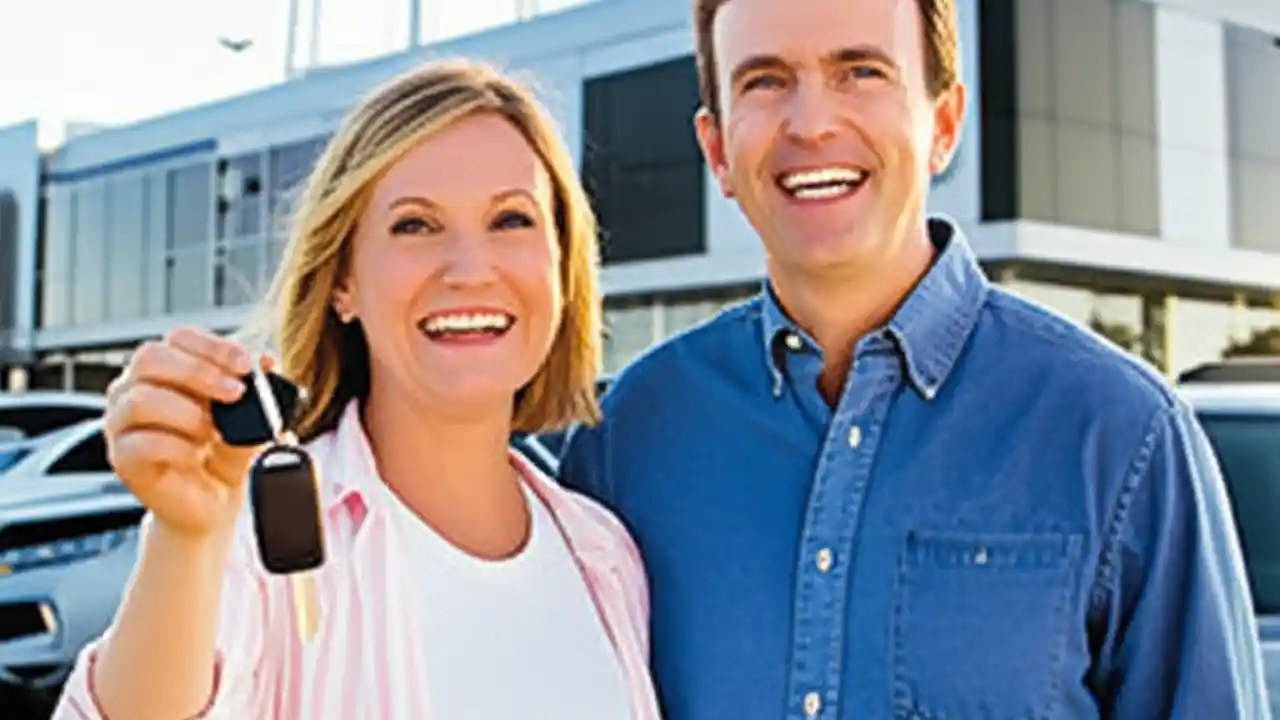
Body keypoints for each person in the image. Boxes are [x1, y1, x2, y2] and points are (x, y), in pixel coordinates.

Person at [559, 0, 1270, 718]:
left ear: (945, 123)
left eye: (861, 71)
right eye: (765, 81)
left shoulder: (1122, 436)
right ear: (717, 150)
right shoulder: (629, 439)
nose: (811, 123)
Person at [53, 59, 659, 720]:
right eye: (415, 225)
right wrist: (185, 538)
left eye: (512, 220)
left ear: (564, 267)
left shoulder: (608, 555)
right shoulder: (256, 543)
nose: (469, 268)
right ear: (344, 283)